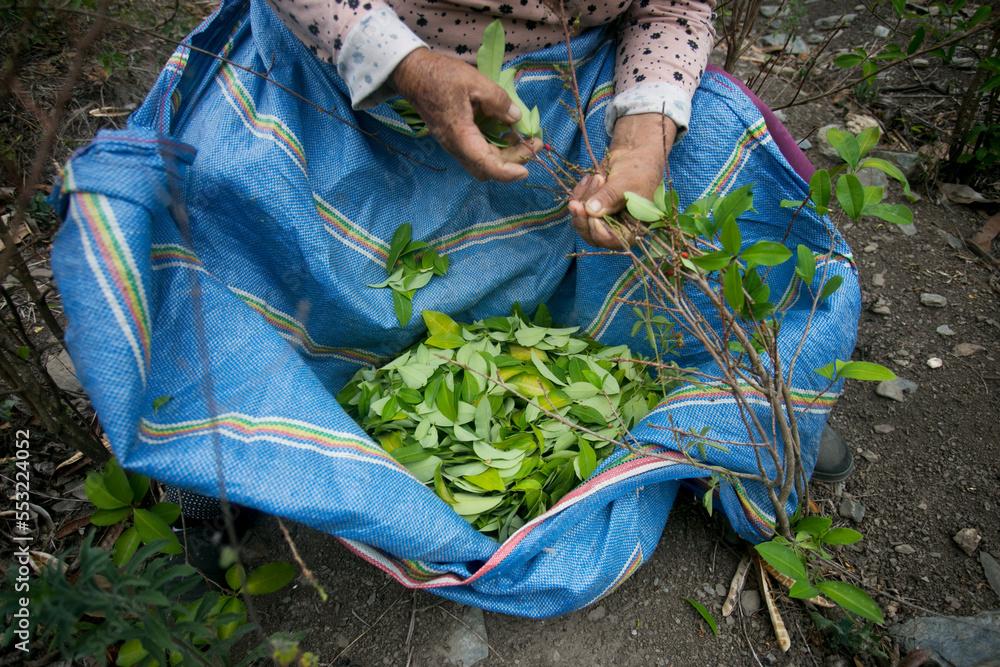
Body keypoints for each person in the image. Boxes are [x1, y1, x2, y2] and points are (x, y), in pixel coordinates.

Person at [262, 0, 716, 248]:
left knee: (706, 173)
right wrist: (405, 66)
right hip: (352, 63)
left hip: (582, 82)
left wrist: (641, 145)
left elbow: (672, 9)